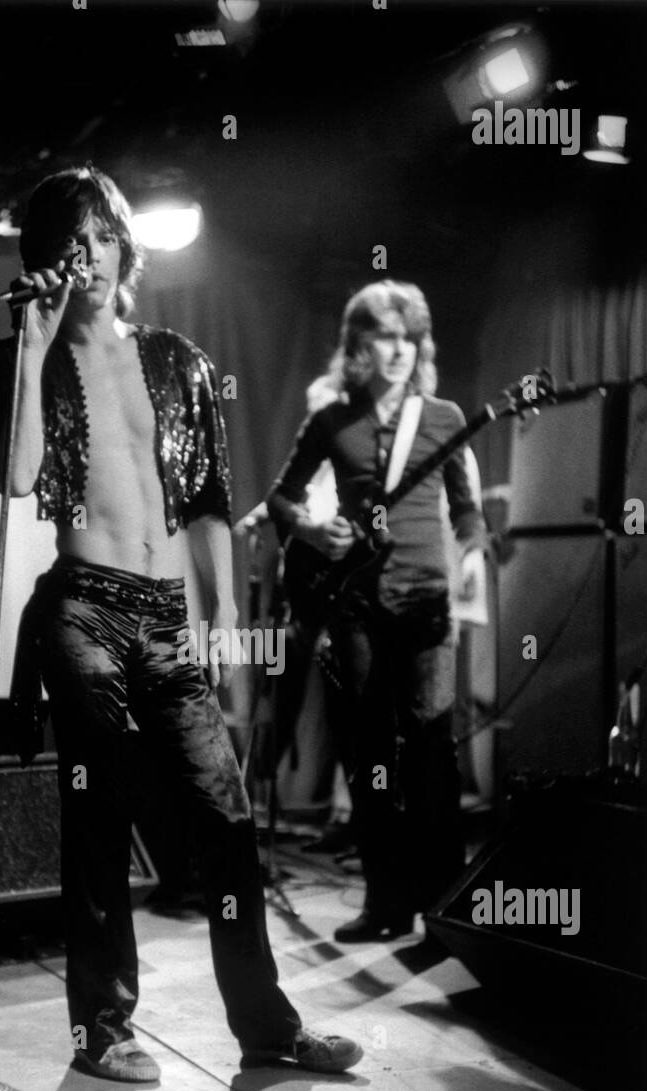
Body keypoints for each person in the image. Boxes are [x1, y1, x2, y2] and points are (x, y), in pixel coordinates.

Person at [0, 164, 362, 1080]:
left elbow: (210, 499)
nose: (91, 256)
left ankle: (267, 1028)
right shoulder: (20, 356)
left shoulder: (177, 359)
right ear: (47, 260)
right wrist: (28, 345)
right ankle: (102, 1030)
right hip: (81, 611)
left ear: (123, 246)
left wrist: (224, 611)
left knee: (225, 821)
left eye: (103, 237)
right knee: (99, 815)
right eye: (71, 243)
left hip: (163, 614)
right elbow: (19, 475)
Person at [267, 280, 487, 942]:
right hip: (356, 605)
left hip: (425, 601)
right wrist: (308, 531)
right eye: (383, 336)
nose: (396, 350)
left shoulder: (444, 416)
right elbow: (281, 499)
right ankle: (385, 905)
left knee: (431, 752)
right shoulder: (331, 420)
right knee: (367, 755)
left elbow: (466, 508)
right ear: (358, 344)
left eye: (407, 337)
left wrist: (474, 547)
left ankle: (446, 909)